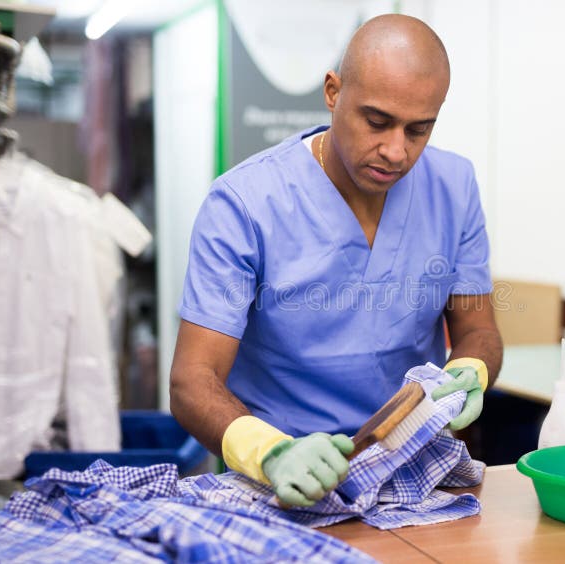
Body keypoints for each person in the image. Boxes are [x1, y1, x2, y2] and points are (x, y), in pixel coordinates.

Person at [170, 13, 503, 507]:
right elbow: (191, 381)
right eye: (377, 121)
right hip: (282, 481)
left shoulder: (453, 187)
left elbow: (478, 330)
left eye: (419, 129)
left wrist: (472, 369)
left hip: (410, 470)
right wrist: (271, 452)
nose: (395, 151)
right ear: (332, 92)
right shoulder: (244, 204)